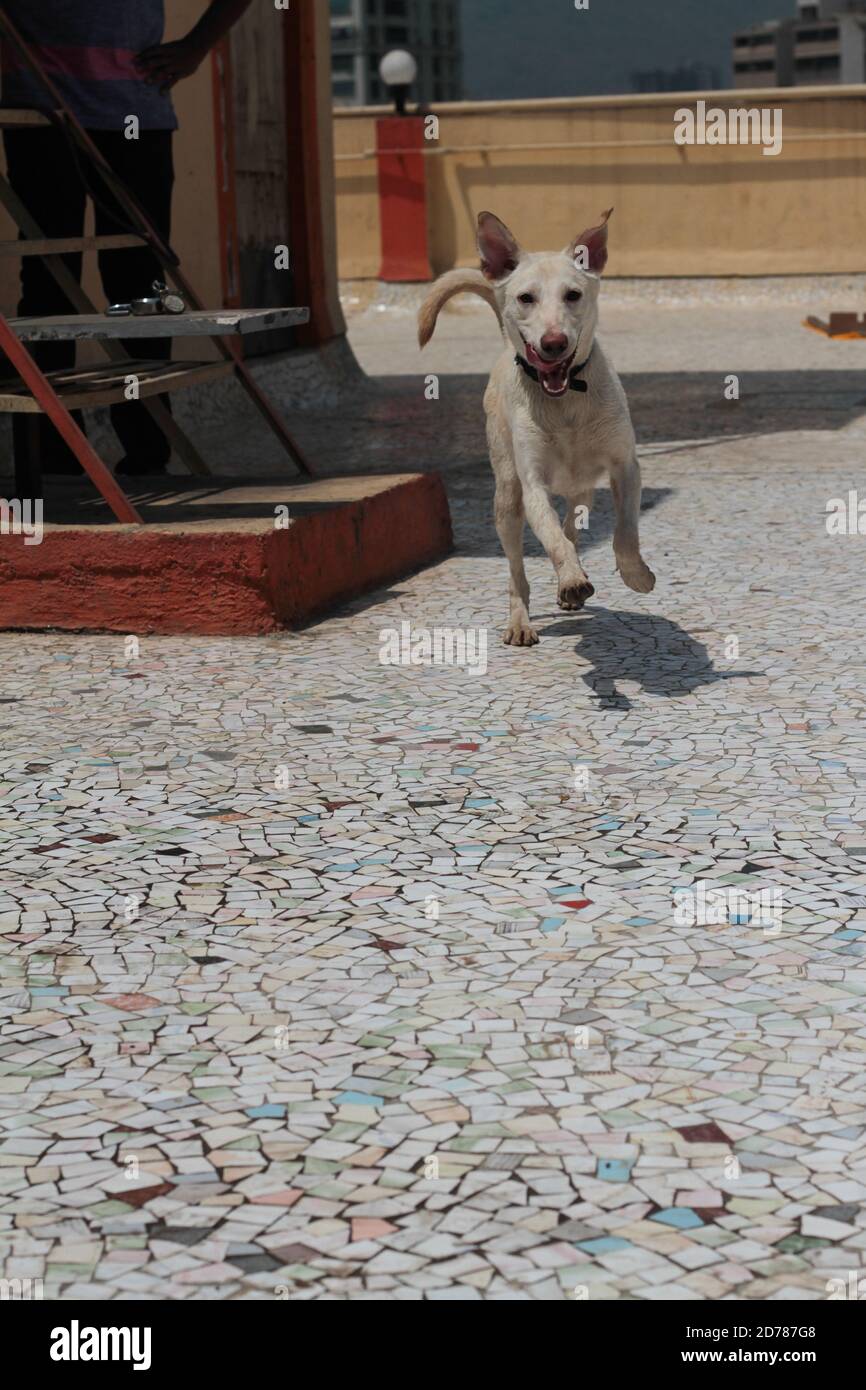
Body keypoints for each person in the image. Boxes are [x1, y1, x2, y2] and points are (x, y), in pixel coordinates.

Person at [0, 0, 253, 476]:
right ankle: (53, 454)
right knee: (48, 280)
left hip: (136, 116)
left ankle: (146, 452)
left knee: (140, 286)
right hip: (38, 113)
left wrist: (195, 48)